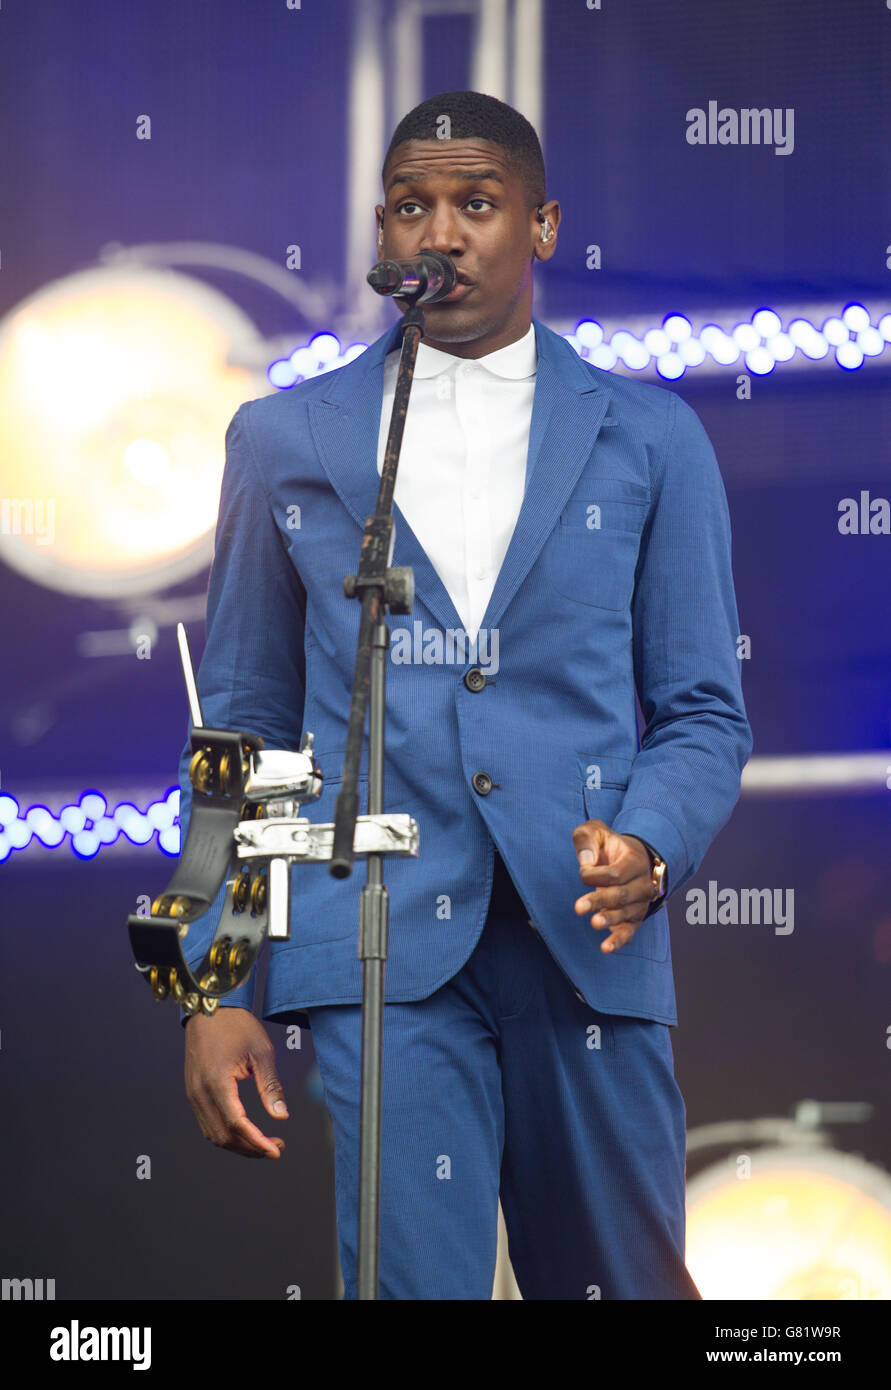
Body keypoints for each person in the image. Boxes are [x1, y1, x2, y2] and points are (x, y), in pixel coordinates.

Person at [182, 90, 752, 1300]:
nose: (438, 232)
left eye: (476, 204)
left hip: (582, 940)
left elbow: (703, 709)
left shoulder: (652, 438)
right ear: (381, 233)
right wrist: (213, 982)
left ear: (542, 227)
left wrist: (650, 840)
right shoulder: (287, 437)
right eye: (410, 206)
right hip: (378, 943)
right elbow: (243, 728)